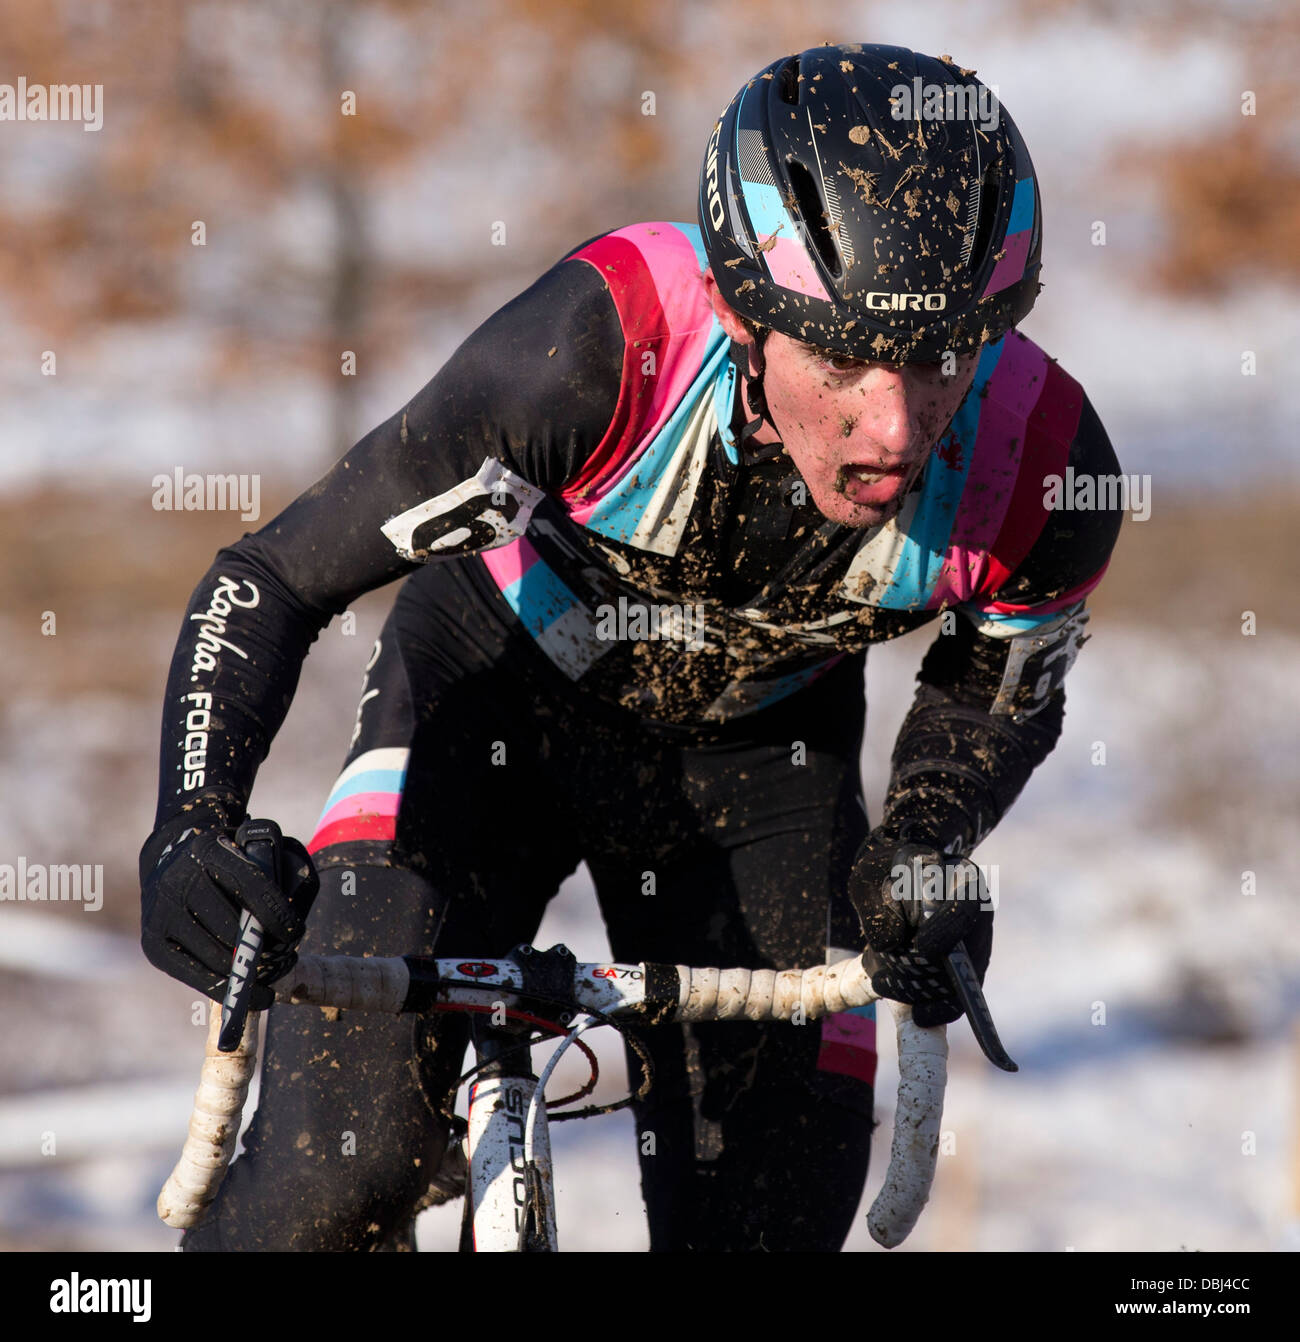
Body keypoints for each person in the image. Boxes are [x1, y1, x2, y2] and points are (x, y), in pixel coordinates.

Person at [140, 42, 1123, 1251]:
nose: (895, 424)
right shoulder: (595, 353)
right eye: (843, 357)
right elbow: (275, 574)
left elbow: (997, 689)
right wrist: (189, 817)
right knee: (334, 1186)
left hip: (766, 769)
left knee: (764, 1229)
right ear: (737, 309)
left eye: (938, 358)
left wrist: (923, 838)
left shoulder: (1043, 466)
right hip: (491, 698)